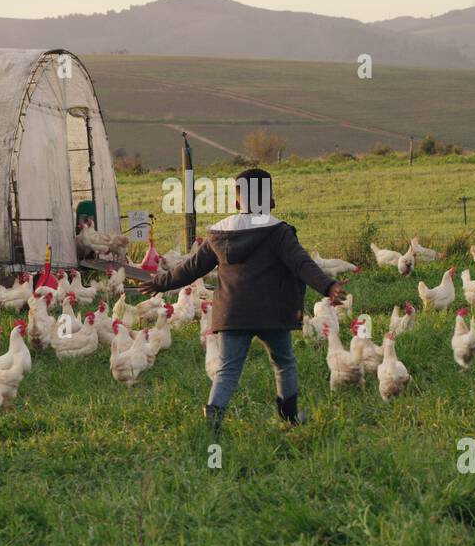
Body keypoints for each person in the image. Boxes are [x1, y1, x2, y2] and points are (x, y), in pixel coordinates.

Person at [140, 168, 345, 431]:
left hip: (232, 313)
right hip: (273, 313)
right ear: (270, 199)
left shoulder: (220, 234)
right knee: (283, 363)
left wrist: (160, 282)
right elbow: (301, 264)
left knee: (228, 368)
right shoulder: (278, 231)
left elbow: (191, 268)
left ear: (238, 202)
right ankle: (289, 417)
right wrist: (328, 286)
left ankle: (213, 415)